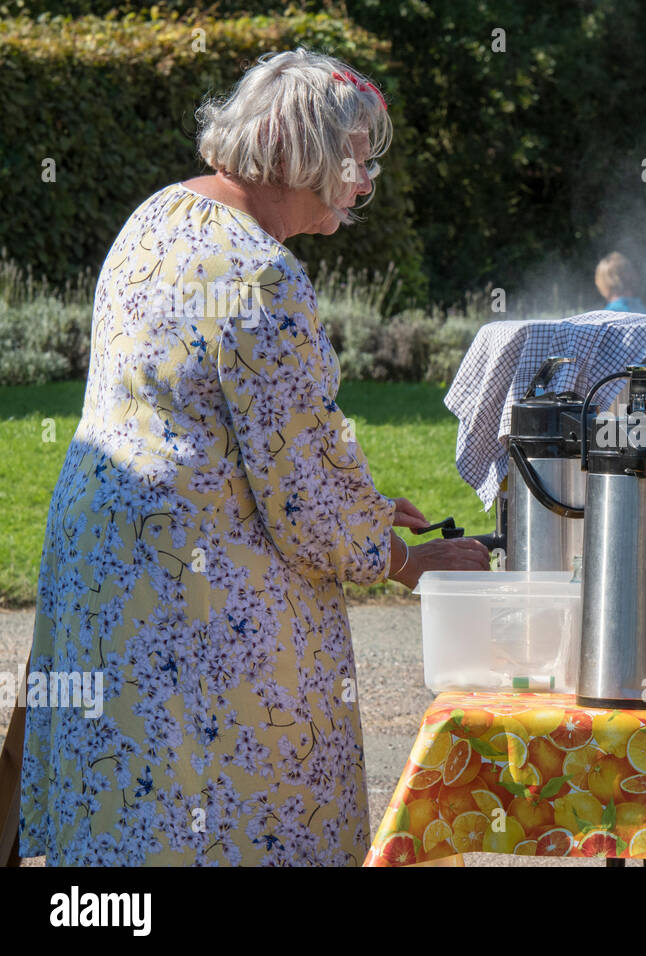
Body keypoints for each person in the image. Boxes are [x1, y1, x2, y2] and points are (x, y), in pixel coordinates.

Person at [13, 49, 489, 867]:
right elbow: (298, 495)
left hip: (100, 560)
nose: (366, 181)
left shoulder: (156, 215)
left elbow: (228, 425)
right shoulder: (261, 275)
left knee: (126, 807)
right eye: (358, 159)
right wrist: (404, 559)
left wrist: (366, 505)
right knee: (223, 809)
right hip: (193, 588)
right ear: (306, 155)